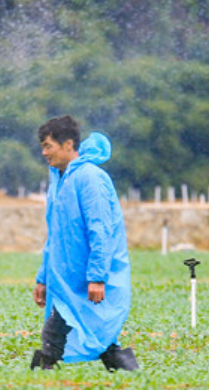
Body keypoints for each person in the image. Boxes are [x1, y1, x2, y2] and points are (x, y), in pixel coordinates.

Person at [31, 115, 137, 372]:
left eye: (48, 146)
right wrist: (43, 278)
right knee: (99, 338)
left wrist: (97, 276)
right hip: (65, 277)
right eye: (42, 147)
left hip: (87, 276)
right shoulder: (59, 179)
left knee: (55, 334)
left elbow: (101, 231)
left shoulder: (90, 178)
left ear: (68, 144)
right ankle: (127, 372)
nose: (44, 153)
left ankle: (38, 381)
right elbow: (54, 234)